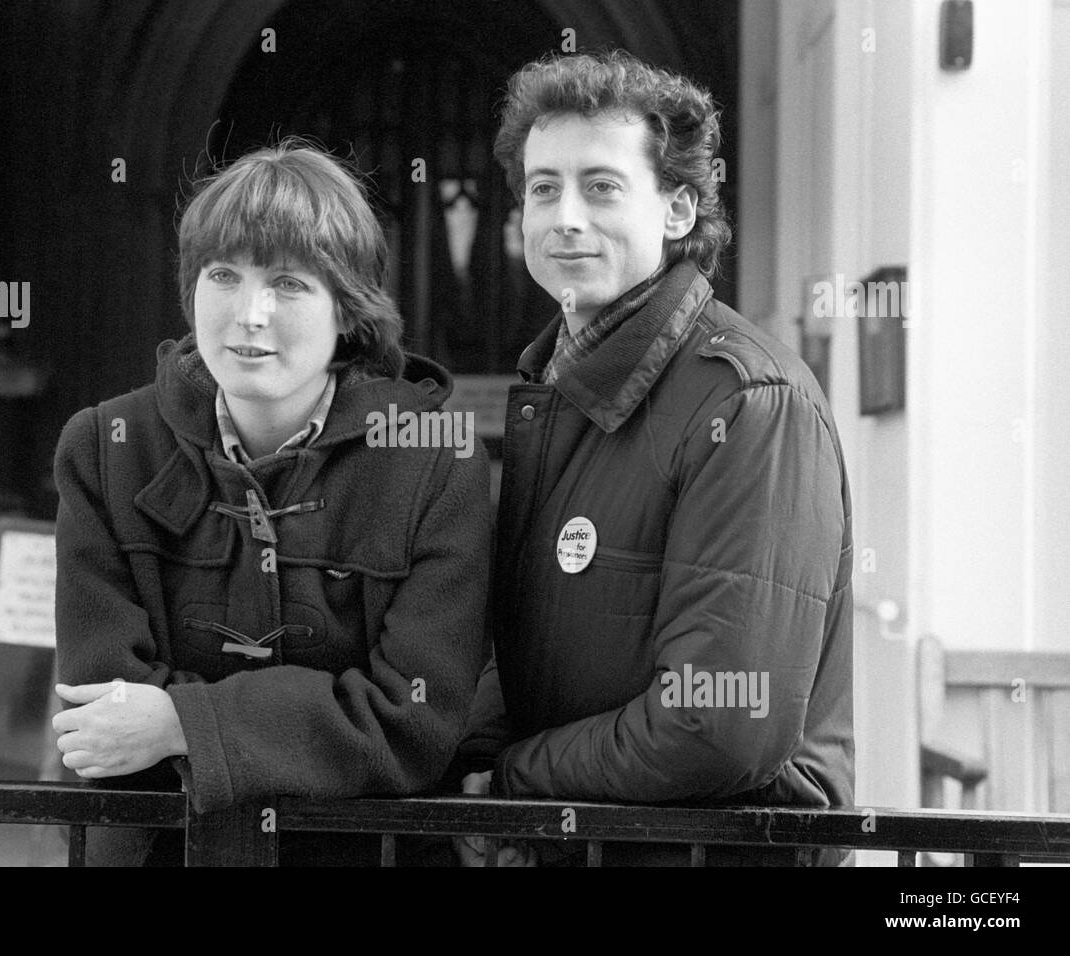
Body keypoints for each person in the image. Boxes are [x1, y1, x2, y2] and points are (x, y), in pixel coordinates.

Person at [455, 51, 854, 866]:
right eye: (541, 188)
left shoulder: (748, 402)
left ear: (677, 210)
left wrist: (509, 781)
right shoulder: (559, 380)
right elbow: (533, 654)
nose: (565, 216)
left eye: (601, 186)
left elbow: (718, 724)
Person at [51, 140, 490, 866]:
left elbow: (414, 723)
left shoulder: (436, 461)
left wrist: (179, 723)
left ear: (348, 311)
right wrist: (314, 725)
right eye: (224, 274)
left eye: (289, 283)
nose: (249, 314)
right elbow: (103, 720)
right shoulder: (105, 448)